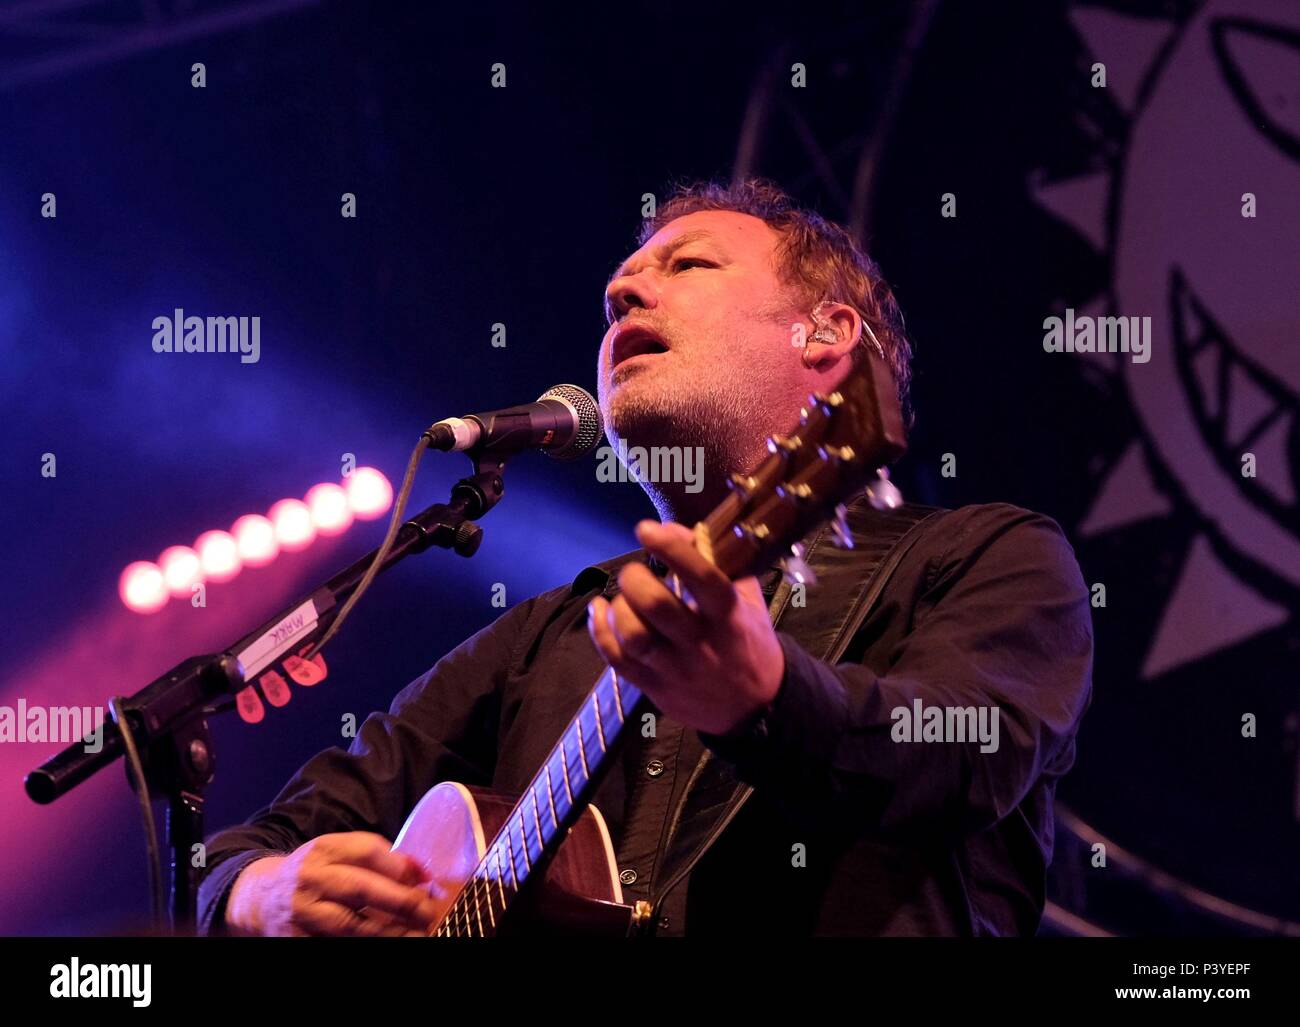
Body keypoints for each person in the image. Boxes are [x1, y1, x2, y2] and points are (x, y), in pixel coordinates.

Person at [198, 179, 1093, 937]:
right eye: (617, 291)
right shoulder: (540, 640)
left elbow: (966, 759)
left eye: (687, 265)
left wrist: (769, 702)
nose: (625, 295)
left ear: (825, 335)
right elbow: (254, 845)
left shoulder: (990, 556)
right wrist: (255, 892)